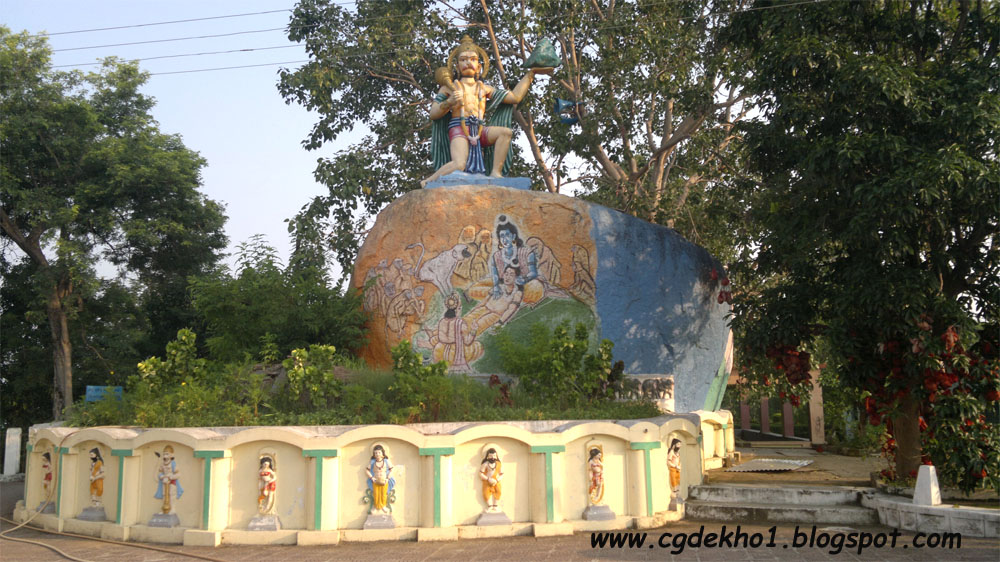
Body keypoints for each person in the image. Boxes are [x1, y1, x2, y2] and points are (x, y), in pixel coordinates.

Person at [421, 36, 549, 187]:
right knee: (459, 163)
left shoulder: (484, 88)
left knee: (505, 133)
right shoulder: (448, 88)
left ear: (479, 66)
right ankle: (428, 181)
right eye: (463, 59)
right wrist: (449, 103)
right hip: (459, 128)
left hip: (479, 128)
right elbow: (433, 113)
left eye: (473, 59)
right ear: (456, 66)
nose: (468, 62)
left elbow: (514, 97)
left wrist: (530, 75)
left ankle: (496, 173)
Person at [464, 265, 523, 336]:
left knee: (476, 328)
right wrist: (474, 309)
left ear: (516, 278)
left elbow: (511, 309)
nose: (507, 277)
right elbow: (485, 301)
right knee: (465, 321)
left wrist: (500, 322)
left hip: (494, 315)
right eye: (506, 274)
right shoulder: (498, 286)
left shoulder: (517, 293)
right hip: (483, 308)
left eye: (511, 275)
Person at [154, 445, 183, 514]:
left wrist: (171, 476)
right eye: (164, 454)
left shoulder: (173, 464)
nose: (165, 456)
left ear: (171, 455)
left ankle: (172, 509)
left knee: (171, 494)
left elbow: (178, 474)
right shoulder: (163, 464)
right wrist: (162, 476)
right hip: (164, 482)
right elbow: (159, 473)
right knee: (164, 494)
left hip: (171, 482)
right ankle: (164, 510)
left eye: (167, 454)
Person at [366, 444, 395, 514]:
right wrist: (372, 477)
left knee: (383, 494)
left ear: (382, 453)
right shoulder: (372, 462)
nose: (377, 454)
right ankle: (376, 506)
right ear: (374, 454)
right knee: (376, 494)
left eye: (379, 452)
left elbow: (392, 470)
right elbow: (367, 470)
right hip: (375, 480)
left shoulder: (386, 461)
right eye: (375, 453)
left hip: (384, 480)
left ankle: (383, 506)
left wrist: (387, 478)